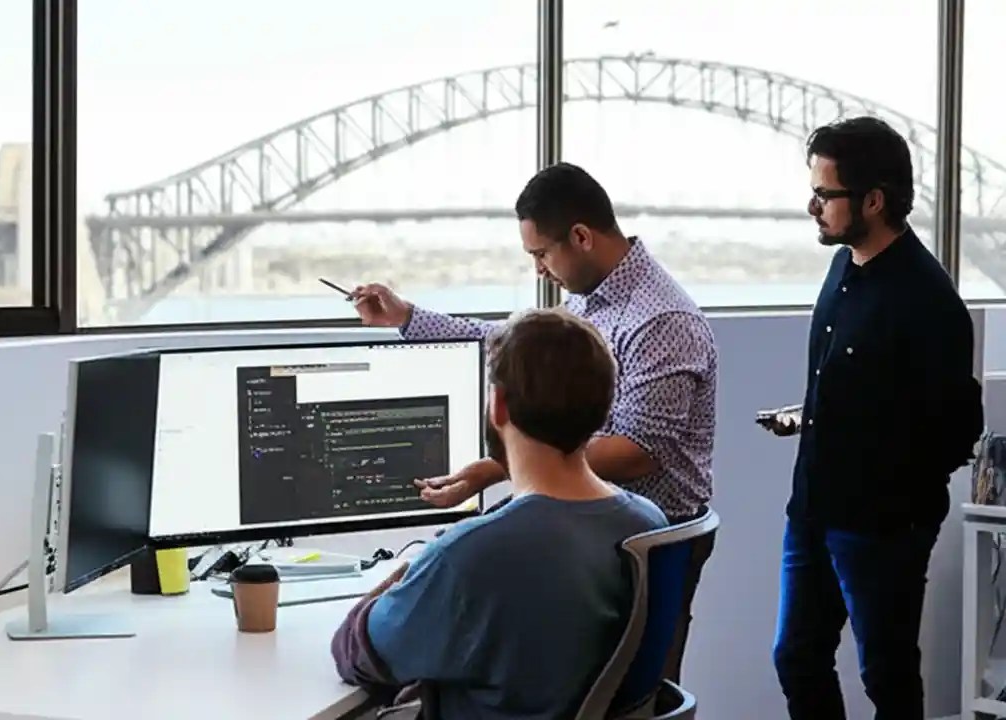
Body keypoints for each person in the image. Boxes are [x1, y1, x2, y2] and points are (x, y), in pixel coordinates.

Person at [348, 162, 718, 681]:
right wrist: (408, 318)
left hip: (643, 539)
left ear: (581, 237)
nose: (539, 270)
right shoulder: (596, 298)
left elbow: (635, 452)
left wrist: (506, 465)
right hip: (595, 521)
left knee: (614, 690)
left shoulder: (658, 319)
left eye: (541, 254)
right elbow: (520, 348)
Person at [330, 308, 667, 718]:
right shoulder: (647, 523)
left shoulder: (472, 555)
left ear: (499, 405)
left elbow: (357, 654)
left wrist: (415, 570)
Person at [759, 115, 984, 720]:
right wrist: (810, 418)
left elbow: (955, 430)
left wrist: (887, 486)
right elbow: (862, 390)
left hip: (880, 526)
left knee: (885, 674)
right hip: (812, 508)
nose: (812, 206)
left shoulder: (928, 299)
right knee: (796, 657)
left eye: (825, 194)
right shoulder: (844, 268)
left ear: (874, 200)